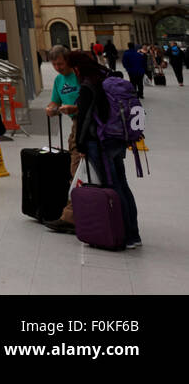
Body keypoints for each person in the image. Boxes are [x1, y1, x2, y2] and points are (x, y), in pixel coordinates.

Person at [72, 53, 142, 249]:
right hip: (118, 138)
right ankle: (134, 234)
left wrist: (80, 144)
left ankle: (124, 235)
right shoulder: (106, 76)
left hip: (100, 142)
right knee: (123, 185)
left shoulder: (88, 85)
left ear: (78, 68)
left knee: (113, 187)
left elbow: (85, 119)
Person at [42, 45, 82, 234]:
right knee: (75, 168)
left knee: (77, 170)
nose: (58, 68)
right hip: (75, 125)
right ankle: (73, 212)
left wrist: (75, 109)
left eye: (60, 63)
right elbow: (55, 101)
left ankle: (71, 216)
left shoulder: (80, 74)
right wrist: (51, 108)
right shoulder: (59, 80)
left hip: (88, 123)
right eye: (54, 64)